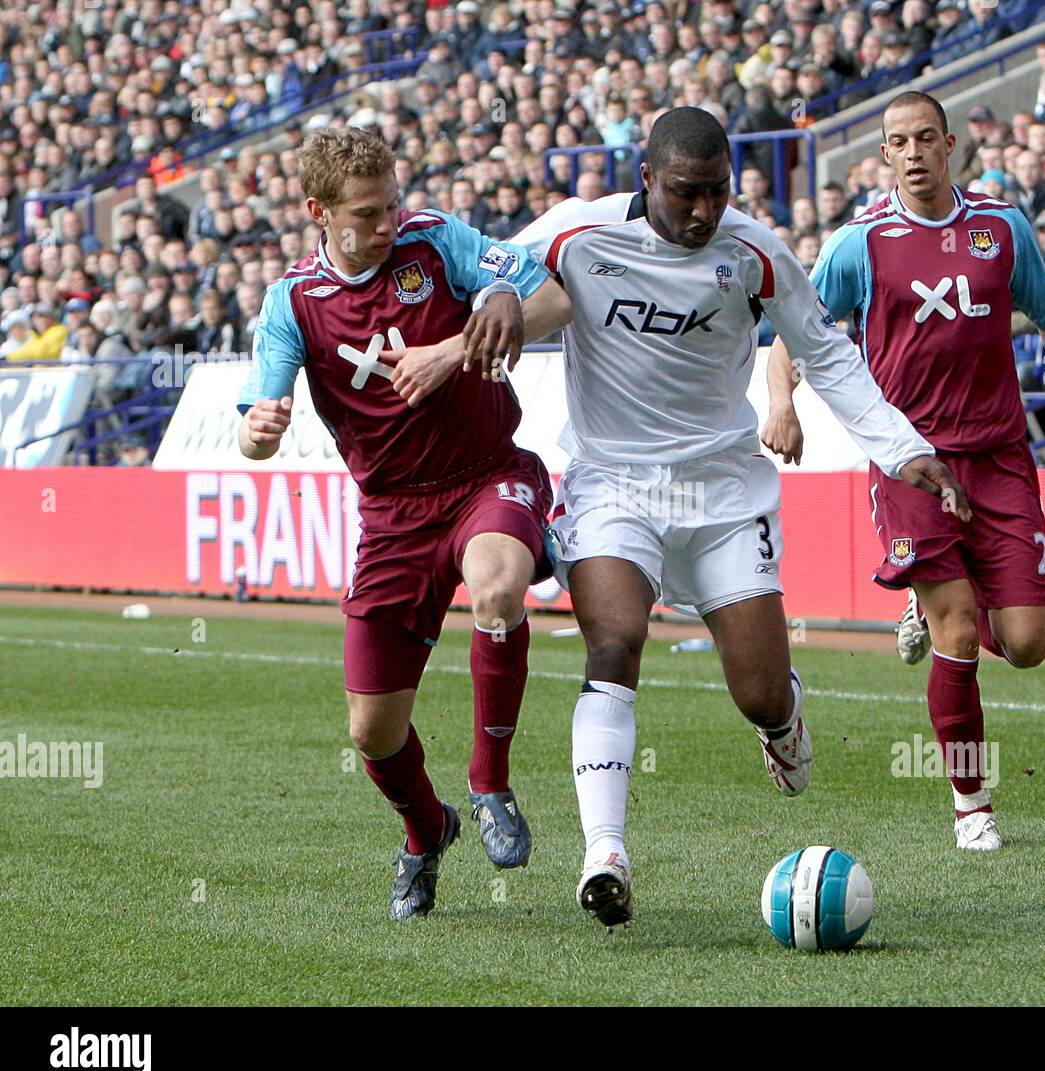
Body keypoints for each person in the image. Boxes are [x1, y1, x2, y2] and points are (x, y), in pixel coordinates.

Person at [511, 107, 969, 926]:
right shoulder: (575, 234)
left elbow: (826, 352)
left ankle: (782, 719)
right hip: (614, 482)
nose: (702, 212)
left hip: (723, 492)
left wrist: (904, 449)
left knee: (757, 691)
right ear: (646, 179)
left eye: (718, 193)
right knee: (614, 640)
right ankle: (605, 850)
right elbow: (491, 279)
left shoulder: (754, 250)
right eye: (686, 194)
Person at [767, 92, 1045, 853]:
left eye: (924, 139)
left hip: (1000, 456)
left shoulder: (1000, 227)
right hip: (910, 460)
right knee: (960, 625)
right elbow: (795, 333)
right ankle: (972, 803)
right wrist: (782, 404)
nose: (912, 153)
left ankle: (931, 614)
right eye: (897, 142)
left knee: (1029, 640)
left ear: (950, 144)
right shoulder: (858, 244)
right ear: (885, 153)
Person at [236, 127, 572, 921]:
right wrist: (260, 430)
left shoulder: (434, 241)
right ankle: (428, 830)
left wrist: (462, 341)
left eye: (391, 201)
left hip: (486, 472)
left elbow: (553, 295)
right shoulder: (292, 302)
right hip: (390, 515)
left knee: (496, 589)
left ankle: (489, 781)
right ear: (317, 210)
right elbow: (256, 423)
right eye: (367, 212)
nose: (388, 221)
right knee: (373, 731)